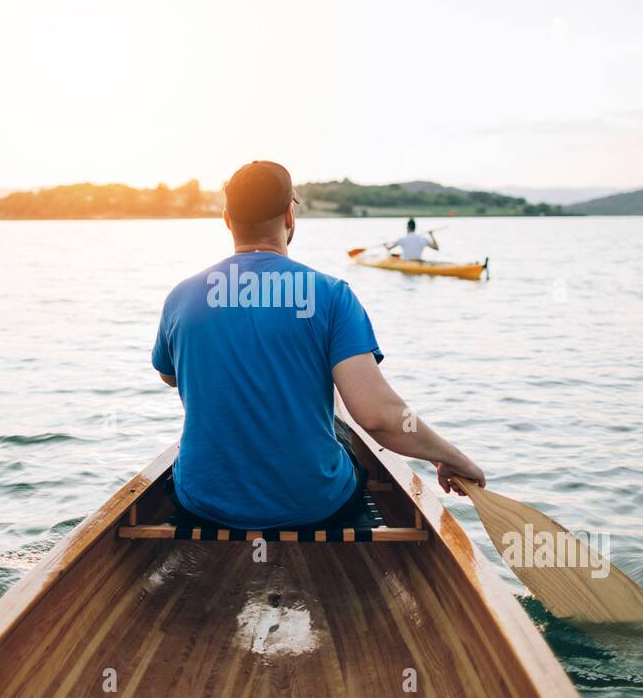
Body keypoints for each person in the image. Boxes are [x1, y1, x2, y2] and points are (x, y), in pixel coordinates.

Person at [151, 160, 485, 530]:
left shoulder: (181, 297)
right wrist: (452, 457)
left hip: (203, 501)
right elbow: (376, 415)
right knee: (338, 418)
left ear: (227, 220)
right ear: (290, 216)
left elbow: (170, 376)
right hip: (312, 505)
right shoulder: (331, 295)